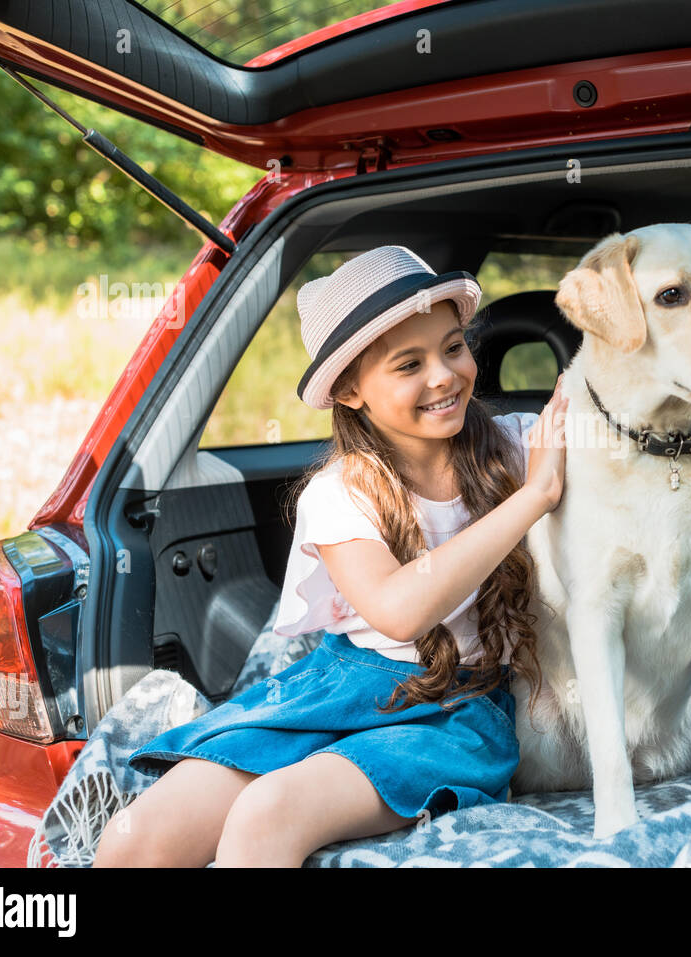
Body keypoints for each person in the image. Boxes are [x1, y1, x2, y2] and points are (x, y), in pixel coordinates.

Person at [94, 245, 569, 868]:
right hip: (341, 690)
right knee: (135, 841)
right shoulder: (340, 491)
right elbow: (400, 612)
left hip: (455, 712)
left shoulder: (518, 443)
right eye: (409, 364)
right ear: (349, 390)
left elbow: (623, 433)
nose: (444, 376)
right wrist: (532, 499)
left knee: (267, 815)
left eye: (454, 348)